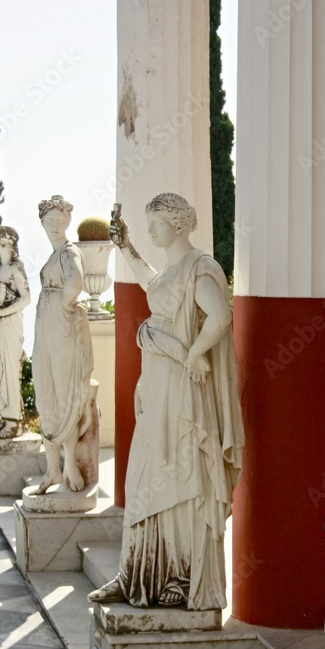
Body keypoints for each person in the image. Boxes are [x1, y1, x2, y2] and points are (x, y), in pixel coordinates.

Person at [88, 193, 243, 610]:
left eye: (154, 222)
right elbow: (151, 283)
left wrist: (194, 353)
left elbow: (221, 316)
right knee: (143, 474)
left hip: (181, 388)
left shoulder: (201, 267)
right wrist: (126, 247)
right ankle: (138, 571)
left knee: (179, 473)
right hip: (157, 383)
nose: (150, 229)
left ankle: (180, 575)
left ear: (176, 224)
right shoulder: (173, 270)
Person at [31, 195, 94, 493]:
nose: (55, 226)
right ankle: (52, 469)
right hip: (45, 329)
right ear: (42, 223)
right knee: (45, 394)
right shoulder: (53, 254)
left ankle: (68, 464)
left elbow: (76, 281)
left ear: (67, 221)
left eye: (60, 220)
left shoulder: (69, 253)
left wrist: (65, 306)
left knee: (64, 396)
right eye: (49, 221)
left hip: (61, 326)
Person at [0, 225, 30, 439]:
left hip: (9, 324)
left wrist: (1, 313)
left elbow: (26, 298)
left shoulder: (15, 267)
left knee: (9, 372)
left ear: (4, 243)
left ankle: (13, 421)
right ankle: (7, 412)